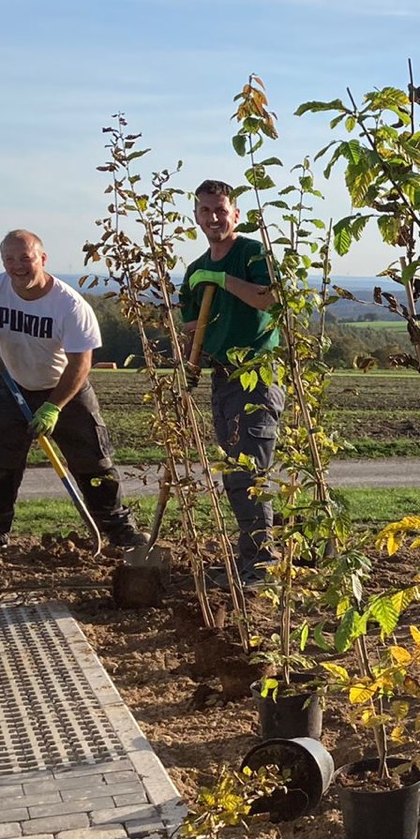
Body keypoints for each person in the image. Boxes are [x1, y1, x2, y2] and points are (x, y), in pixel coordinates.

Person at [0, 230, 145, 557]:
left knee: (94, 462)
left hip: (66, 390)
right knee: (0, 463)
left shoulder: (68, 305)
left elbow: (81, 363)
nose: (17, 266)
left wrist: (54, 407)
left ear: (42, 259)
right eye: (9, 259)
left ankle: (118, 530)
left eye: (25, 258)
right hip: (12, 386)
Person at [179, 179, 283, 581]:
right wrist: (189, 357)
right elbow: (192, 325)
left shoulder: (253, 252)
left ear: (235, 214)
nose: (213, 217)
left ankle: (260, 563)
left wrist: (221, 281)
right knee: (234, 466)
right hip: (222, 376)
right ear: (196, 217)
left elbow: (267, 297)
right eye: (205, 211)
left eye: (221, 210)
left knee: (248, 467)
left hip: (256, 373)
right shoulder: (194, 269)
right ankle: (254, 555)